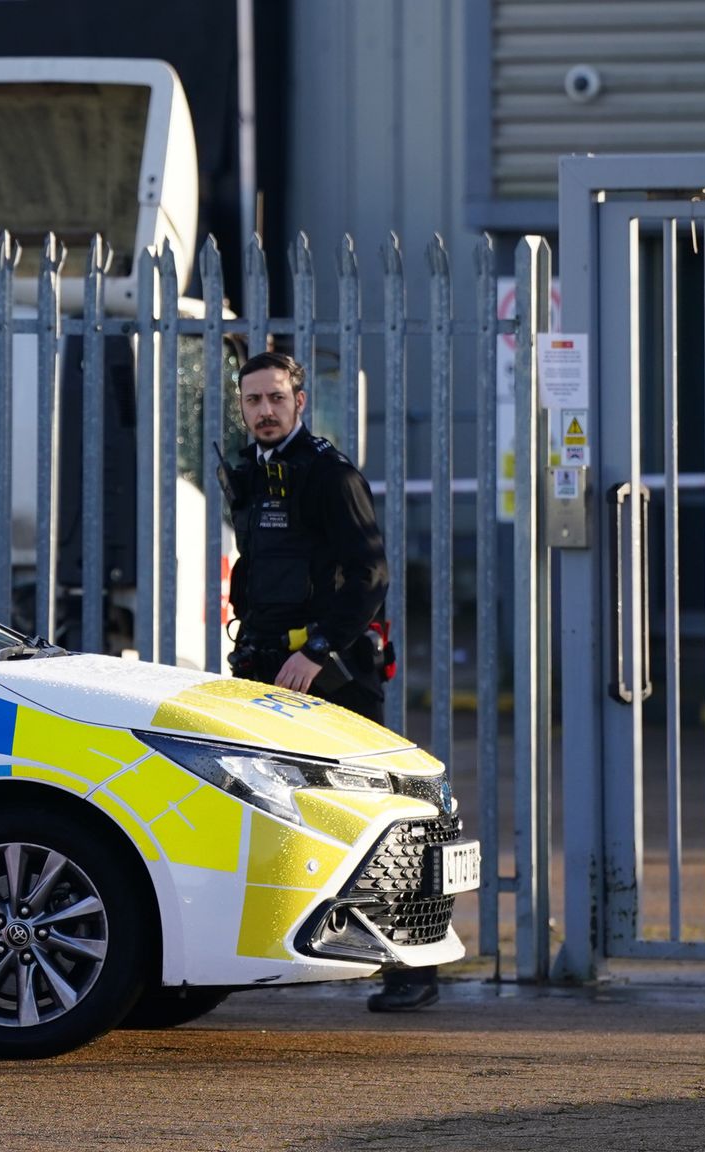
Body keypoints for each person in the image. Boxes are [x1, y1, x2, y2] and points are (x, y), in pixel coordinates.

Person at [221, 350, 437, 1013]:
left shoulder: (330, 475)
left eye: (275, 398)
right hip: (266, 669)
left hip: (332, 673)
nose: (264, 411)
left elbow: (371, 576)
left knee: (375, 811)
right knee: (273, 809)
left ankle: (412, 966)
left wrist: (317, 651)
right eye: (253, 400)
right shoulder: (253, 473)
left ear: (299, 401)